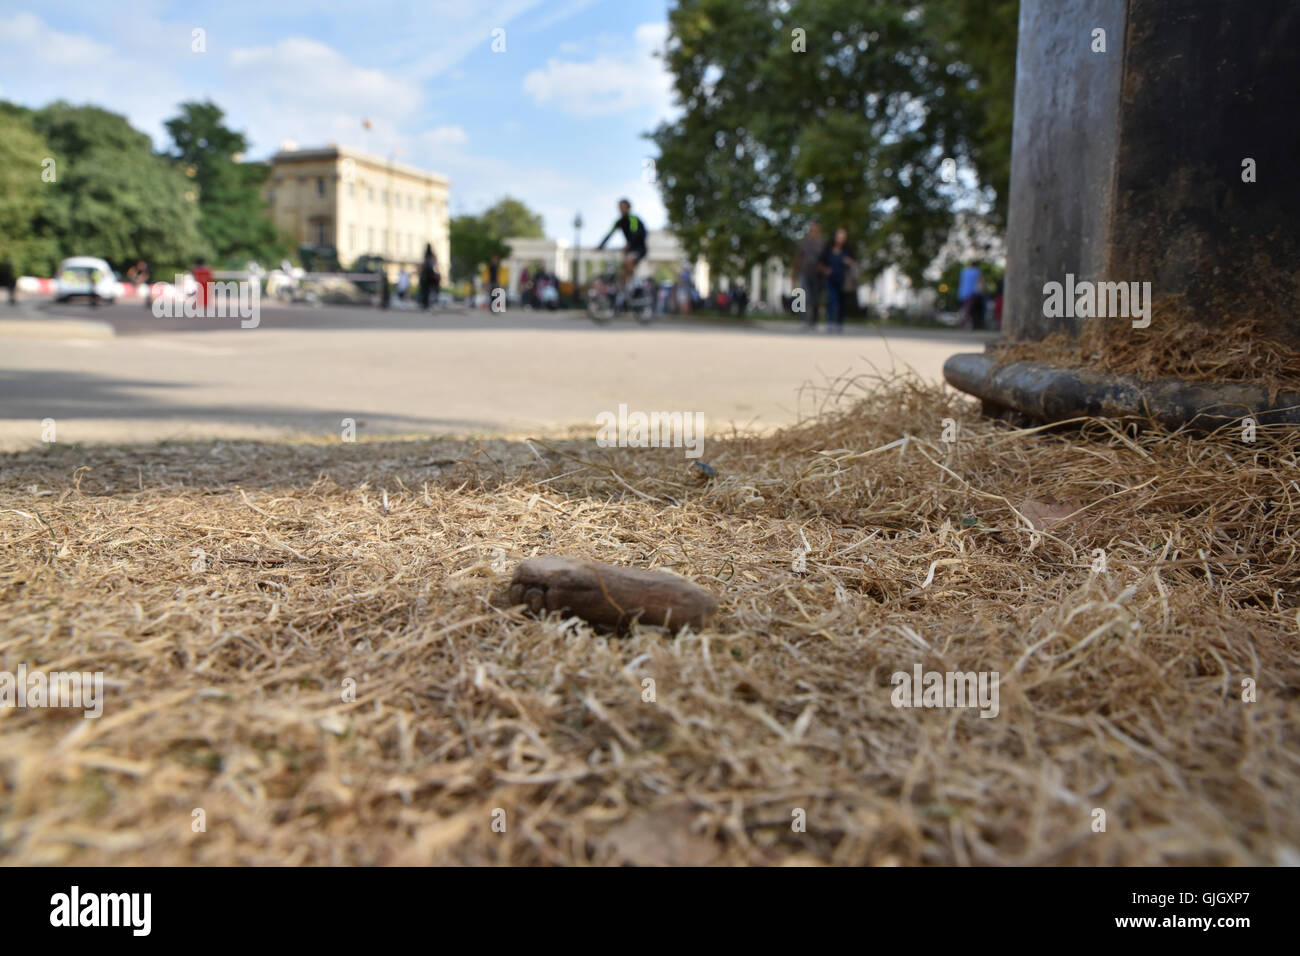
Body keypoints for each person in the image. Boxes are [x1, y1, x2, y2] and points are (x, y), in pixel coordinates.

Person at [596, 199, 648, 306]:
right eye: (620, 207)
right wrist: (600, 246)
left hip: (639, 248)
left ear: (628, 208)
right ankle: (623, 300)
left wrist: (629, 244)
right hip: (629, 249)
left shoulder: (633, 219)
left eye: (623, 206)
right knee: (623, 275)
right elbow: (609, 234)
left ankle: (639, 287)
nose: (621, 209)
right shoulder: (619, 221)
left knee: (628, 261)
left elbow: (635, 233)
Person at [817, 228, 856, 333]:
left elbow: (854, 262)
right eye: (839, 236)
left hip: (844, 280)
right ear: (835, 237)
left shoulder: (847, 250)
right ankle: (830, 322)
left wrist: (849, 262)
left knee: (842, 302)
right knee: (831, 300)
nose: (841, 239)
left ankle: (840, 323)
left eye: (843, 237)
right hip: (831, 279)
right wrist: (826, 270)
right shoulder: (828, 249)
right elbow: (820, 264)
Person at [791, 222, 824, 329]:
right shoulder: (803, 244)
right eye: (811, 230)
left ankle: (814, 321)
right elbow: (797, 259)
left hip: (817, 275)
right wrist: (794, 274)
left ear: (819, 232)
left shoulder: (822, 245)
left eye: (815, 230)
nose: (813, 232)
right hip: (804, 273)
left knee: (815, 299)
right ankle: (804, 320)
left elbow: (826, 260)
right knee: (804, 297)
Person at [419, 245, 440, 311]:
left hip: (426, 278)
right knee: (427, 292)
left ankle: (426, 304)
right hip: (428, 278)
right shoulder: (430, 262)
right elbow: (433, 269)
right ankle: (426, 304)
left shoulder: (427, 261)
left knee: (426, 292)